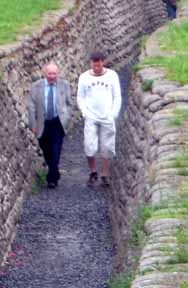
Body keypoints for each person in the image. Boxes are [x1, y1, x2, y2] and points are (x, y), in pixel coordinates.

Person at [76, 51, 121, 187]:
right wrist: (85, 112)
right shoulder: (84, 77)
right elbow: (80, 97)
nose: (96, 67)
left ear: (103, 62)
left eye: (99, 64)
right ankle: (93, 171)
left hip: (107, 116)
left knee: (107, 146)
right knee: (89, 146)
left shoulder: (112, 76)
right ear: (91, 63)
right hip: (91, 116)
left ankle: (105, 174)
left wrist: (113, 114)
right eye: (94, 64)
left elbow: (117, 96)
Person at [26, 62, 72, 189]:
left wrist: (66, 118)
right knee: (47, 151)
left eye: (54, 73)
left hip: (58, 123)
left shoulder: (64, 85)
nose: (52, 76)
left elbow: (69, 103)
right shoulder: (36, 86)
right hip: (43, 123)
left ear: (58, 73)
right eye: (49, 73)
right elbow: (31, 106)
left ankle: (51, 179)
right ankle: (54, 171)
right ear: (45, 73)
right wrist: (33, 124)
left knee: (56, 151)